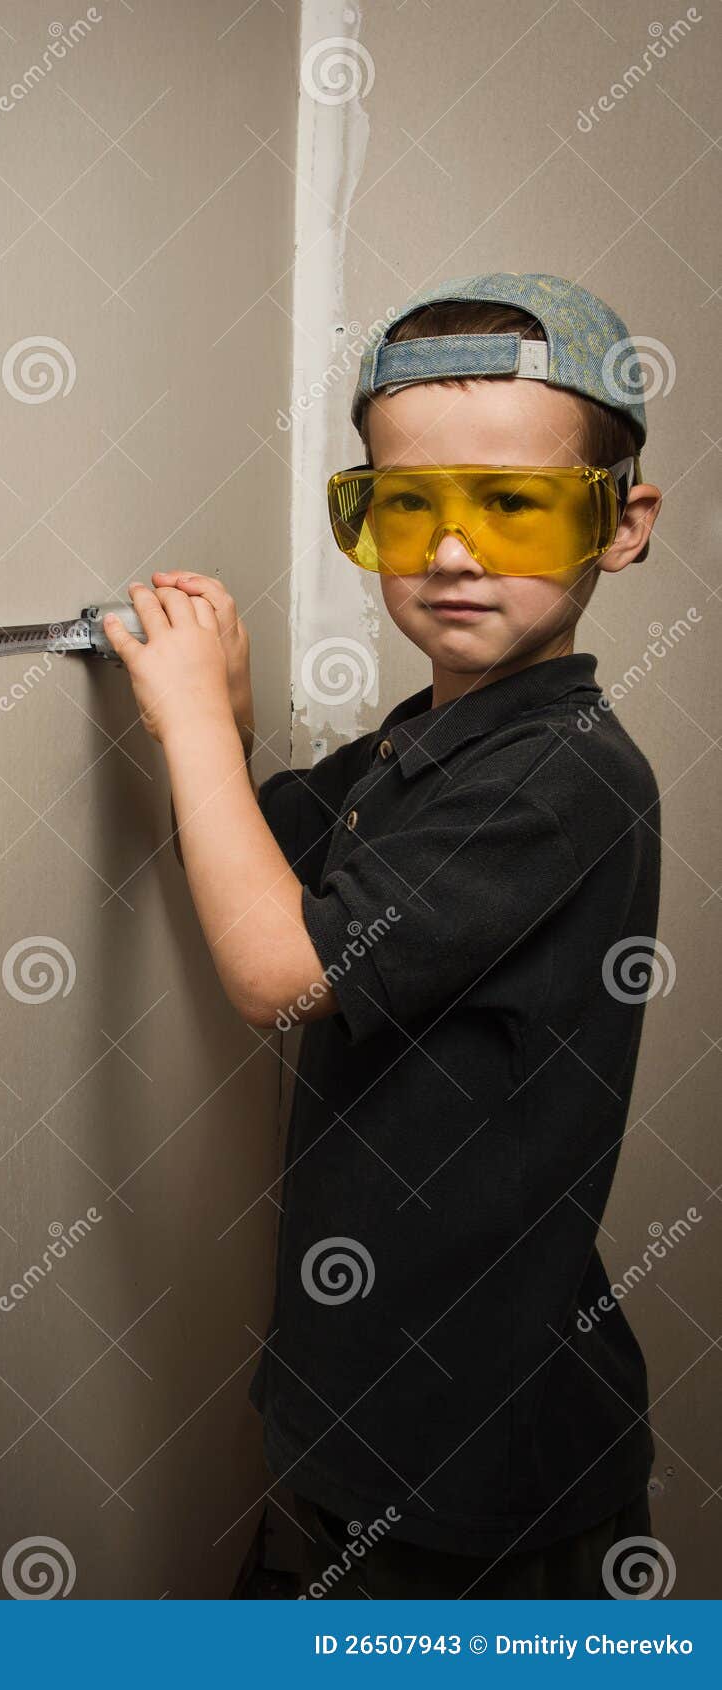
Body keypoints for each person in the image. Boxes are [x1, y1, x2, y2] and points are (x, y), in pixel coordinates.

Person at [102, 272, 665, 1599]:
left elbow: (277, 968)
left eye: (515, 506)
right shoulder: (432, 740)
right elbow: (267, 860)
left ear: (624, 524)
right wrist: (227, 730)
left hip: (478, 1465)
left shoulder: (563, 775)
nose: (455, 553)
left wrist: (185, 724)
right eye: (409, 506)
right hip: (362, 1414)